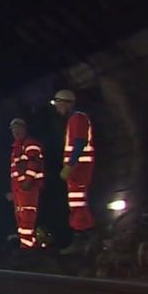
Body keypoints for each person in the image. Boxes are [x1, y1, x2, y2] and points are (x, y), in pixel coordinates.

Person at [51, 89, 95, 255]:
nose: (57, 108)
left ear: (66, 103)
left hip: (79, 170)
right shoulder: (75, 119)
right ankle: (85, 238)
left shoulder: (77, 118)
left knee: (78, 204)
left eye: (58, 104)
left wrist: (70, 165)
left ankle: (83, 239)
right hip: (78, 170)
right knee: (78, 204)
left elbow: (80, 143)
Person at [5, 118, 45, 249]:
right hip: (19, 190)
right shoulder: (16, 147)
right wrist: (14, 191)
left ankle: (27, 247)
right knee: (21, 219)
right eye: (13, 130)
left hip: (28, 188)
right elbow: (16, 173)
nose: (16, 132)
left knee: (27, 218)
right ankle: (28, 245)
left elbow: (33, 164)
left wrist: (27, 182)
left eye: (18, 128)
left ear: (24, 129)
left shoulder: (30, 144)